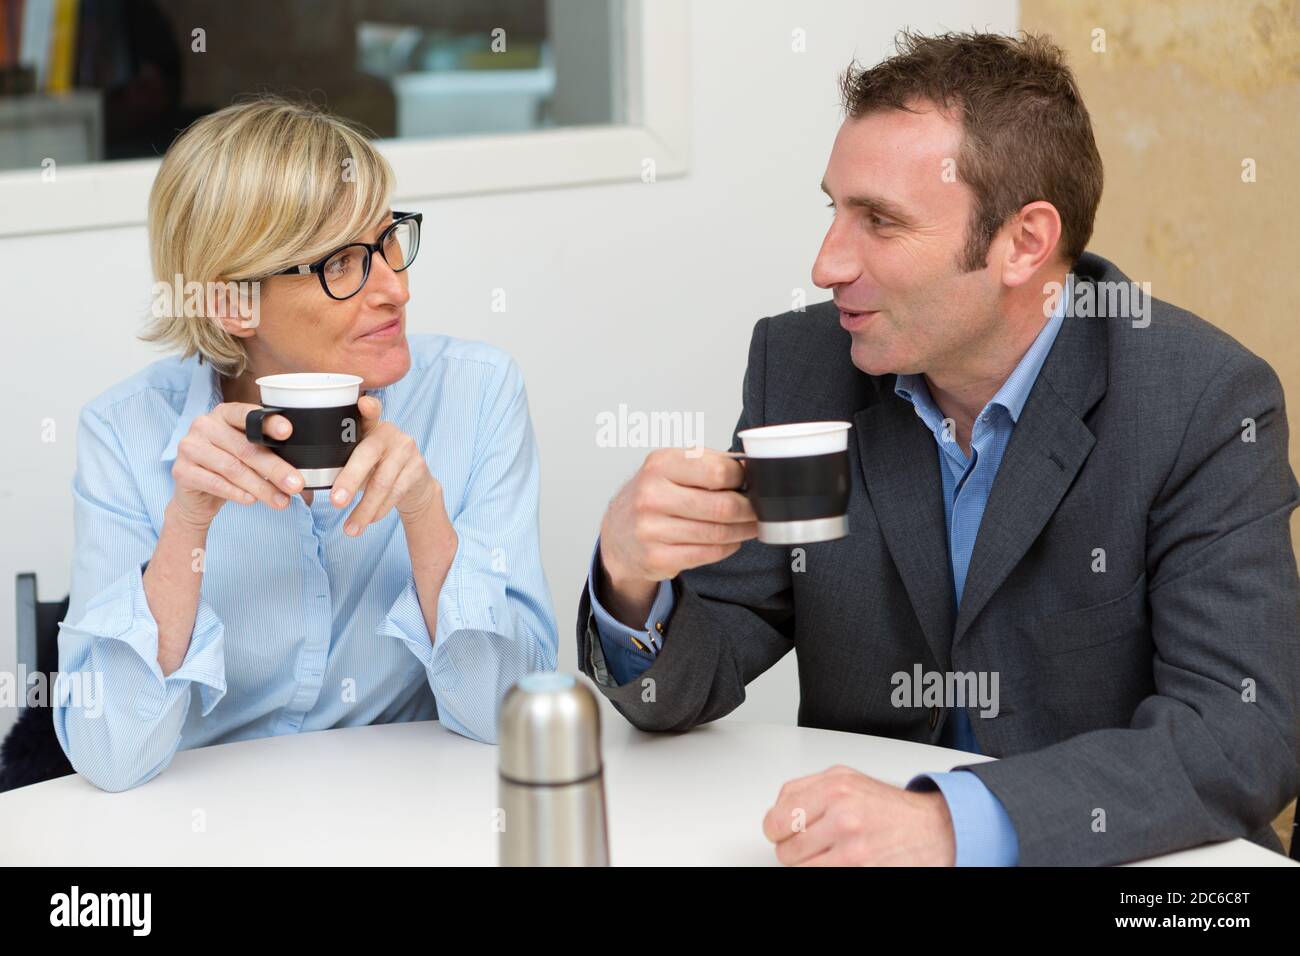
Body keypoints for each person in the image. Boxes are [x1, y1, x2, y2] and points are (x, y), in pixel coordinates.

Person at [578, 31, 1300, 866]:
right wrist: (631, 582)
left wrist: (948, 823)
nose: (825, 264)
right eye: (834, 210)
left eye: (879, 220)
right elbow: (688, 686)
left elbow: (1240, 733)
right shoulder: (806, 367)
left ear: (1024, 243)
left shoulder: (1200, 400)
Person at [54, 97, 558, 792]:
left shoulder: (475, 394)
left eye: (389, 244)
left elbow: (511, 717)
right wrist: (188, 523)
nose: (397, 289)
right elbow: (111, 754)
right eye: (344, 264)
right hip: (211, 830)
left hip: (413, 816)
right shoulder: (124, 433)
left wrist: (422, 512)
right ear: (234, 303)